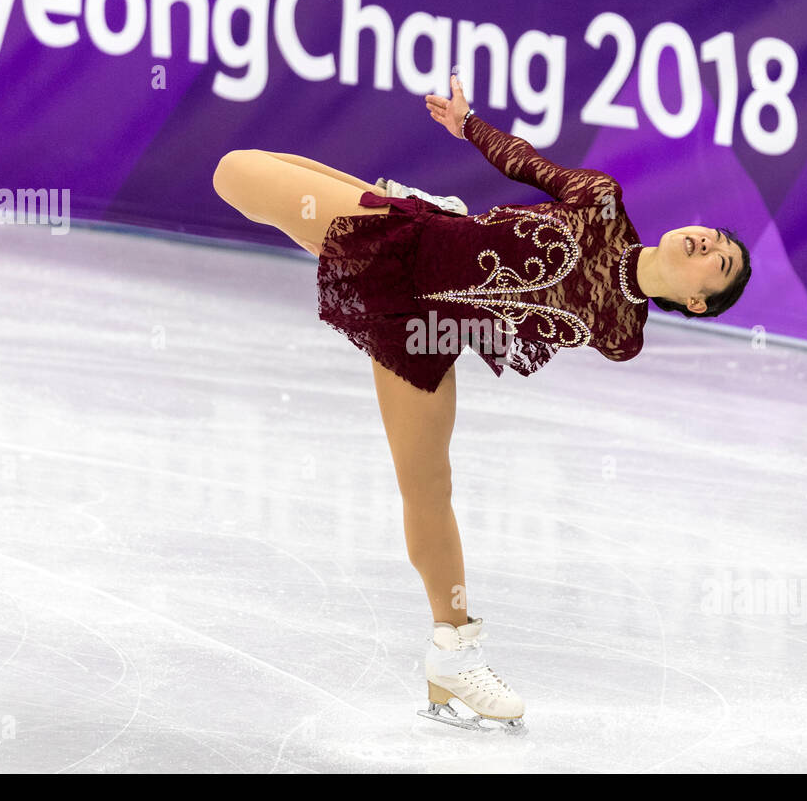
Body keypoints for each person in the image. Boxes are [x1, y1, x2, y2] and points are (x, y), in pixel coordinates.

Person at [212, 75, 752, 733]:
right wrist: (467, 123)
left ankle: (454, 651)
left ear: (697, 302)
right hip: (404, 242)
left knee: (428, 486)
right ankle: (411, 207)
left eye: (718, 264)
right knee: (238, 171)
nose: (708, 245)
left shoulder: (622, 334)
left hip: (427, 330)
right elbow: (527, 162)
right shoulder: (602, 203)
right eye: (714, 236)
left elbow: (536, 304)